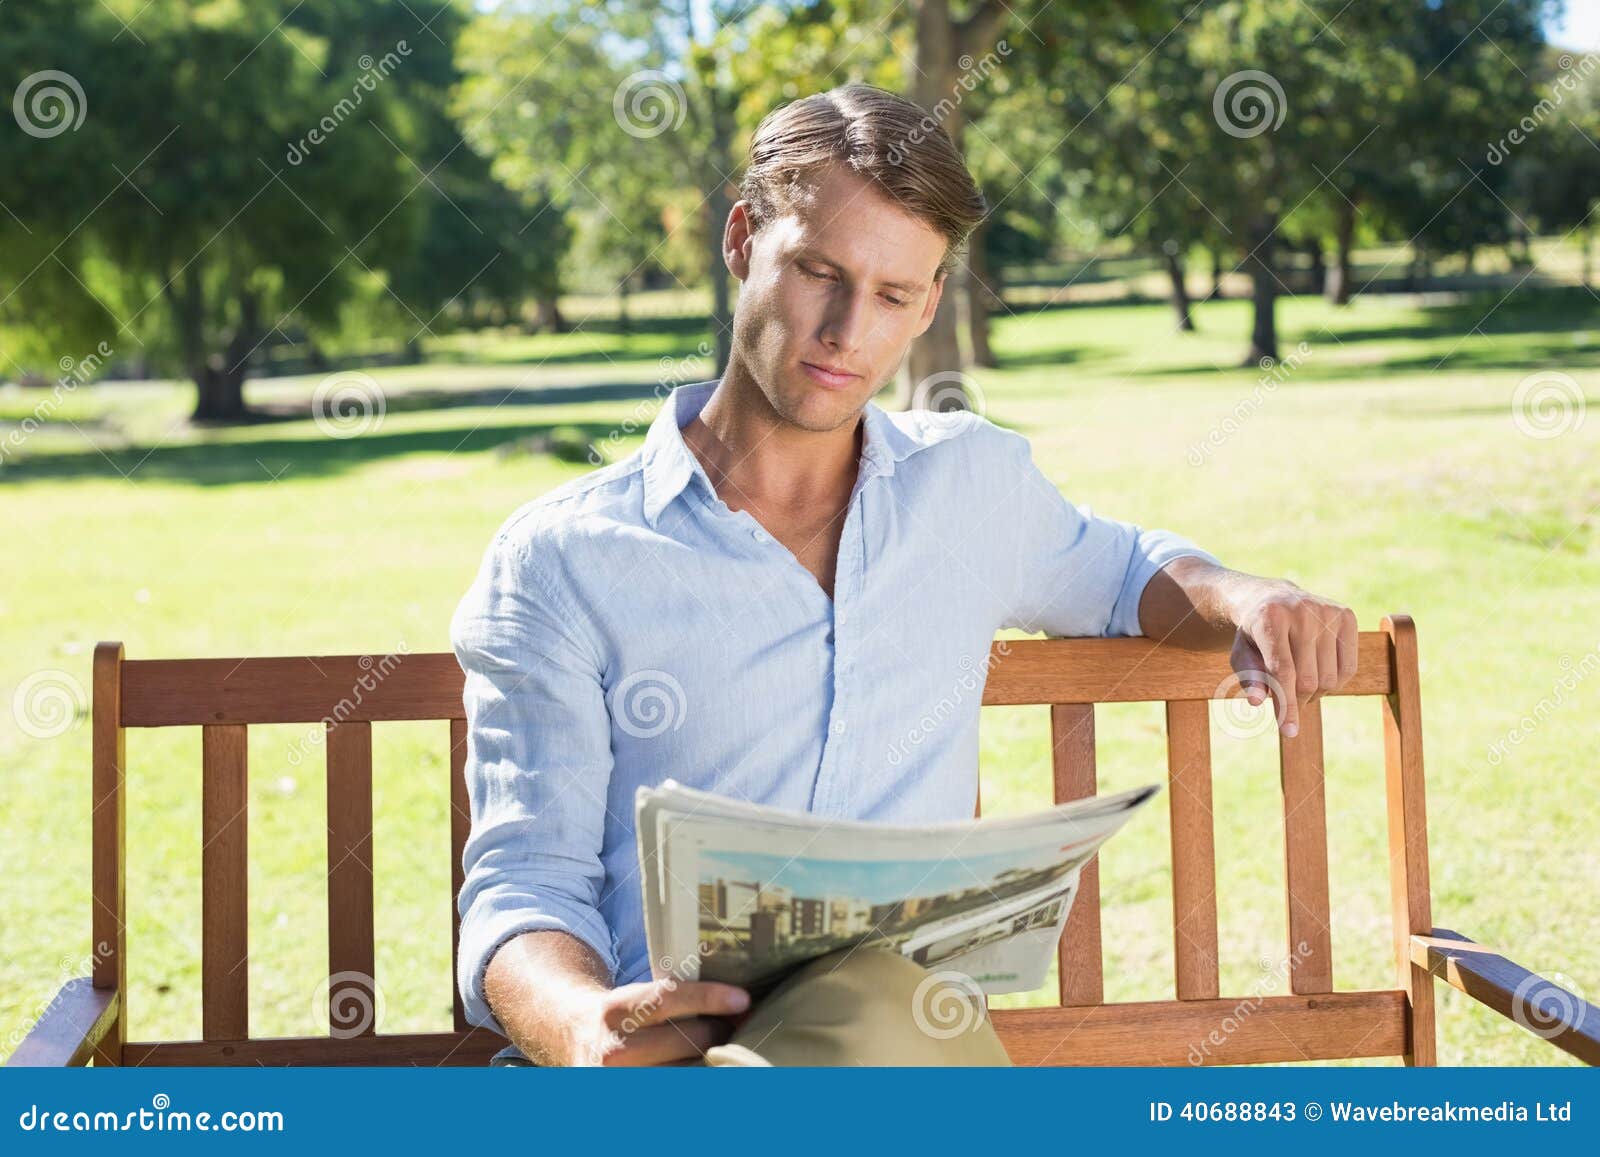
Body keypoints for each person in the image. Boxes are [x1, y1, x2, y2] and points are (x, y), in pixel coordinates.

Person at [449, 83, 1360, 1067]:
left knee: (876, 1001)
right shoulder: (562, 558)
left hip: (906, 1047)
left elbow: (1126, 569)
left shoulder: (969, 486)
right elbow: (525, 884)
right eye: (817, 271)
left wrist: (1243, 594)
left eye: (891, 295)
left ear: (928, 303)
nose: (847, 330)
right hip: (667, 1067)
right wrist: (581, 1024)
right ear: (743, 236)